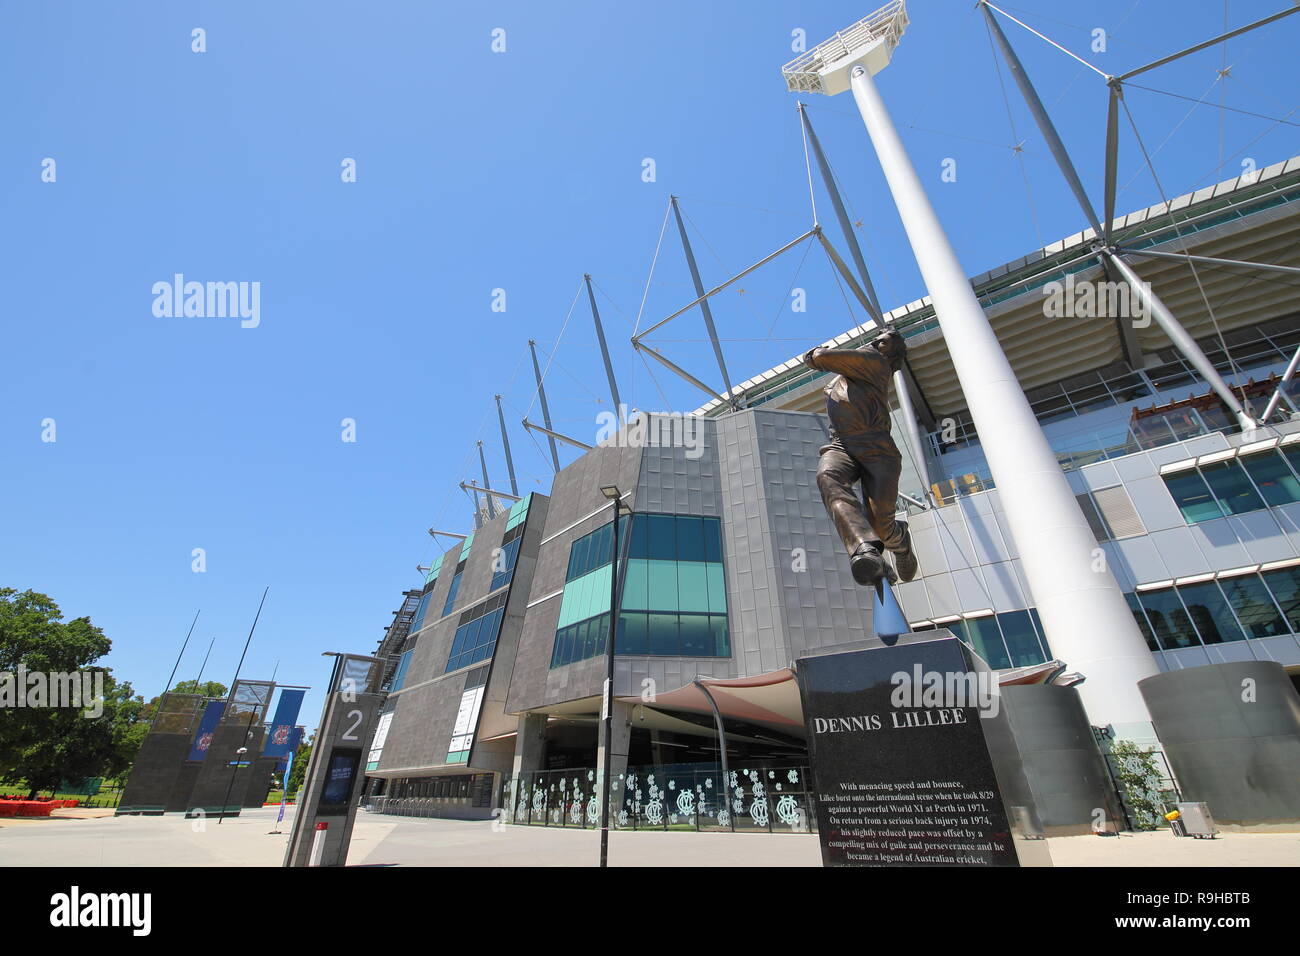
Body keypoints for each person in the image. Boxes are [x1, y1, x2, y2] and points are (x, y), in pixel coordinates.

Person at [803, 328, 919, 585]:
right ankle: (865, 549)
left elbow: (819, 357)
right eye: (878, 335)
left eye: (886, 339)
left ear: (892, 352)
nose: (878, 338)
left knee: (882, 526)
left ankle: (900, 542)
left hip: (877, 448)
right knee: (828, 475)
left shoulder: (876, 362)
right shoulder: (849, 373)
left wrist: (814, 355)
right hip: (841, 444)